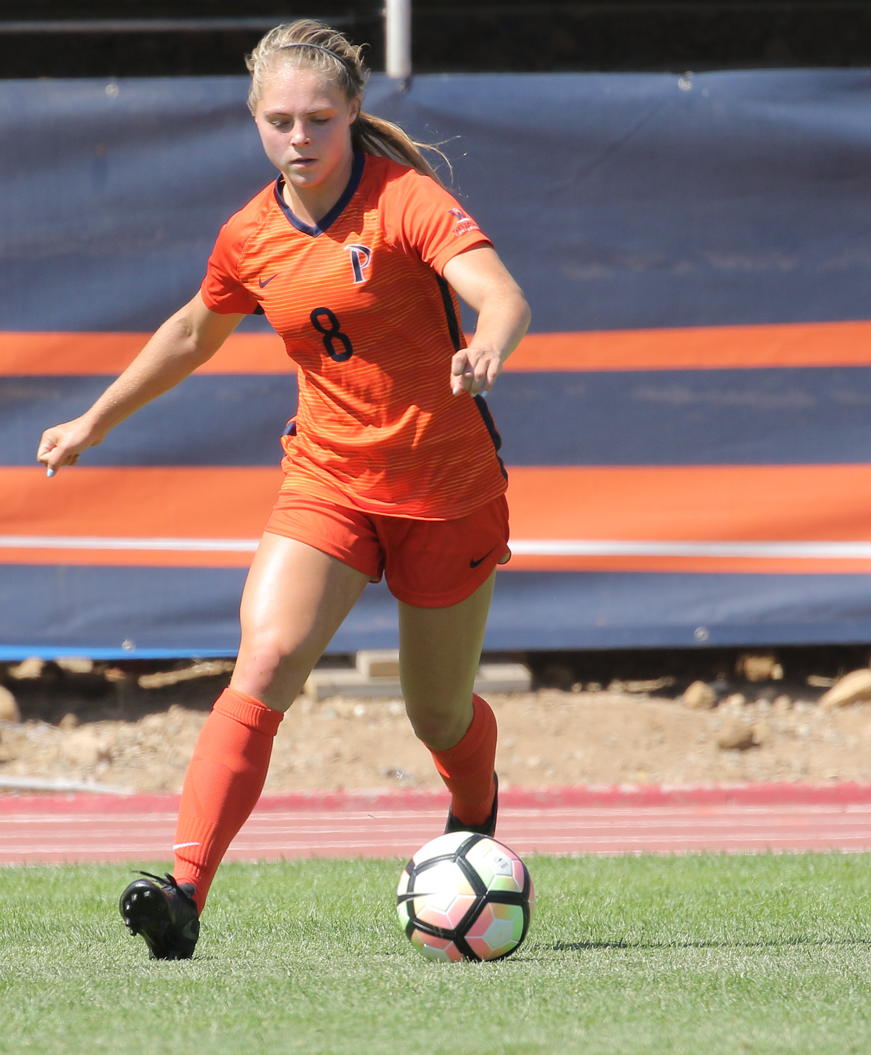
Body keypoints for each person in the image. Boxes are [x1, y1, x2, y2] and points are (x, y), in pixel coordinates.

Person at [36, 20, 532, 960]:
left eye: (318, 118)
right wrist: (93, 422)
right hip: (328, 479)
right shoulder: (251, 234)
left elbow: (500, 292)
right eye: (279, 121)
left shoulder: (406, 202)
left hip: (446, 488)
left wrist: (488, 343)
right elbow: (193, 331)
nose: (298, 137)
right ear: (255, 121)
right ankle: (183, 891)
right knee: (260, 668)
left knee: (439, 713)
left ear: (351, 114)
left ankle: (473, 811)